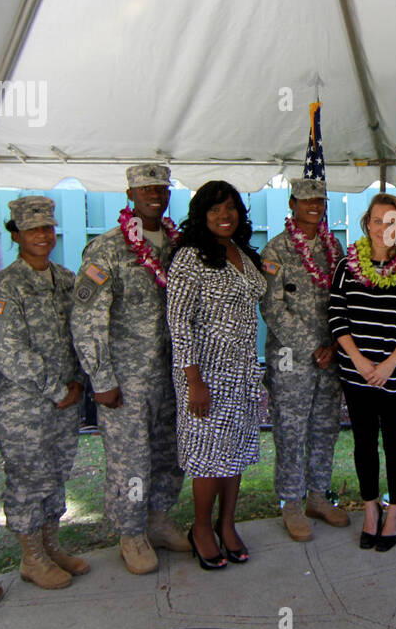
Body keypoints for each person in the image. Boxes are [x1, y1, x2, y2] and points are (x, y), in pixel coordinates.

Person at [71, 163, 189, 574]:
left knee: (169, 451)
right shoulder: (107, 249)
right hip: (127, 379)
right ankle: (131, 532)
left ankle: (158, 519)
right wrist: (101, 378)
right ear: (130, 194)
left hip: (172, 373)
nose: (154, 193)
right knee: (131, 458)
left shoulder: (178, 246)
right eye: (145, 188)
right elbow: (86, 319)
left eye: (161, 187)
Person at [0, 197, 88, 589]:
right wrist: (56, 388)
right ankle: (31, 557)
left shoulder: (64, 279)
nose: (43, 236)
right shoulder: (6, 286)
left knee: (57, 473)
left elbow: (81, 334)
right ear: (15, 234)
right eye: (32, 230)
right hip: (23, 405)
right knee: (29, 478)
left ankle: (51, 546)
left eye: (47, 227)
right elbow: (6, 350)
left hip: (63, 401)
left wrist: (77, 382)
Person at [167, 181, 266, 569]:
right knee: (209, 456)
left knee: (235, 454)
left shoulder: (241, 252)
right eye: (215, 210)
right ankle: (202, 529)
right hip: (204, 374)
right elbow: (179, 324)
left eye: (230, 208)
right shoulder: (190, 258)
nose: (224, 216)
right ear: (201, 215)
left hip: (242, 372)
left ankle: (227, 525)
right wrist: (193, 380)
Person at [328, 193, 396, 553]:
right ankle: (370, 508)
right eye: (377, 220)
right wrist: (359, 361)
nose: (383, 228)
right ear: (366, 224)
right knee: (364, 443)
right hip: (357, 373)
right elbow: (337, 317)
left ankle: (393, 511)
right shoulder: (347, 266)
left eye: (392, 222)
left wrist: (389, 364)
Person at [260, 177, 350, 542]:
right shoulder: (275, 250)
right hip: (290, 357)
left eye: (320, 199)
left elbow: (344, 298)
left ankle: (317, 496)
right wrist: (314, 345)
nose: (314, 204)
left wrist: (335, 346)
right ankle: (291, 503)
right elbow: (272, 307)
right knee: (291, 429)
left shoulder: (333, 248)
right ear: (292, 204)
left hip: (330, 356)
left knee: (325, 427)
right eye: (306, 199)